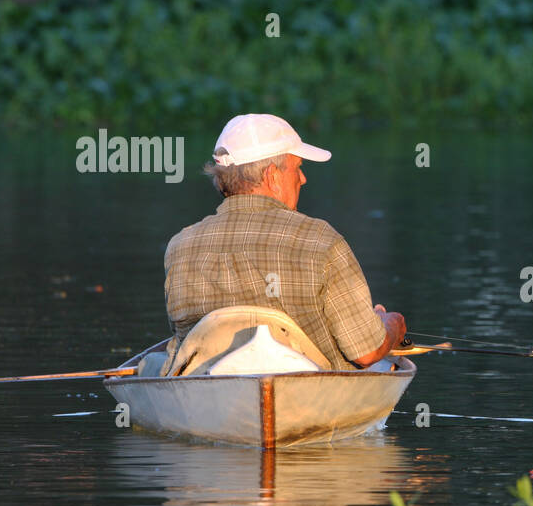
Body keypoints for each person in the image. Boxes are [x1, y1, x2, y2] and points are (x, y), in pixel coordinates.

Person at [157, 114, 405, 375]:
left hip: (210, 398)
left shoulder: (180, 246)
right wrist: (391, 325)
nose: (303, 178)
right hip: (310, 398)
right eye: (297, 167)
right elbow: (367, 353)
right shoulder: (321, 240)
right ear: (273, 176)